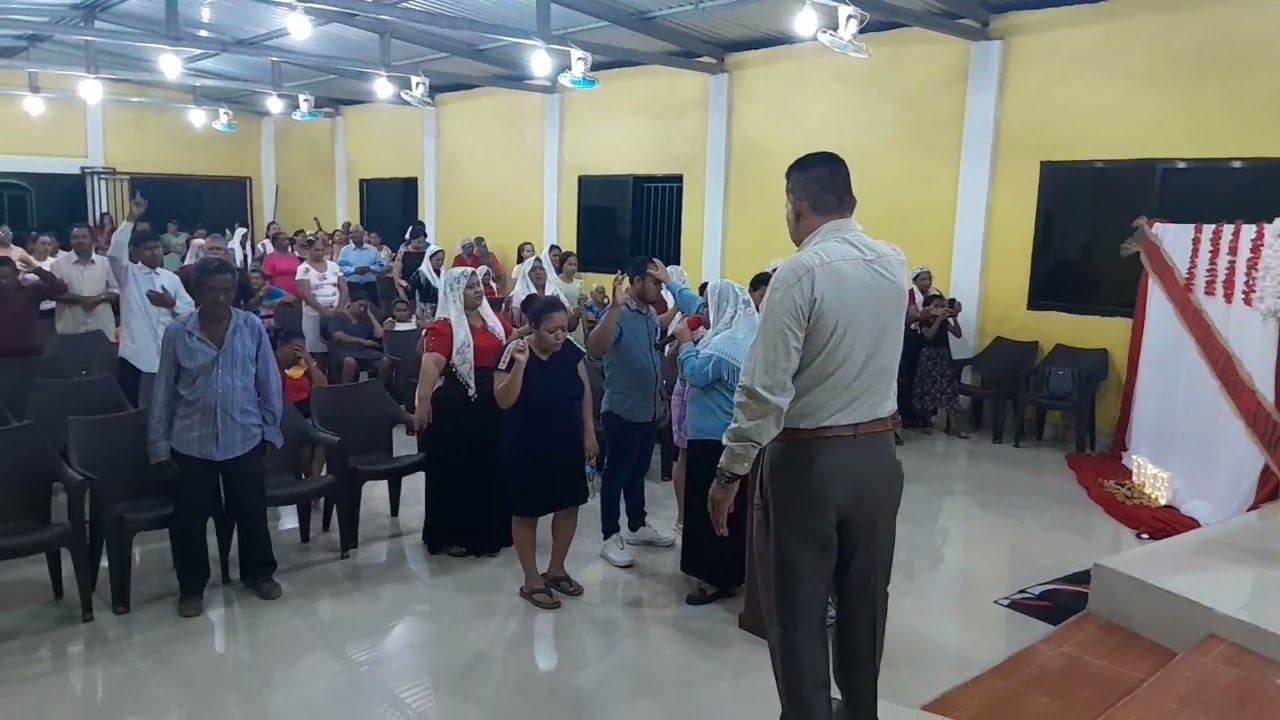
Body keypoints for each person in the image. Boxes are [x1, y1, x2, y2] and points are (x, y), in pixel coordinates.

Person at [709, 151, 906, 720]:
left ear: (796, 205)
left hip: (810, 461)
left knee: (796, 609)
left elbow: (765, 389)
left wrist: (731, 471)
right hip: (877, 456)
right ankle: (860, 712)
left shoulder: (798, 271)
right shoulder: (892, 262)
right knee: (865, 601)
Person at [149, 256, 284, 618]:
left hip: (244, 435)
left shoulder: (251, 327)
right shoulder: (178, 332)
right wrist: (159, 448)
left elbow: (268, 381)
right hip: (191, 441)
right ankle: (191, 589)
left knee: (252, 511)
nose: (221, 297)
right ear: (197, 292)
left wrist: (271, 431)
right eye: (213, 290)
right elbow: (163, 392)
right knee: (189, 520)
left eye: (227, 289)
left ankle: (258, 573)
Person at [585, 256, 702, 569]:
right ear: (636, 282)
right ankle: (610, 537)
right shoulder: (620, 314)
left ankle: (637, 526)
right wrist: (611, 308)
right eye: (655, 283)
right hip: (621, 409)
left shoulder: (650, 313)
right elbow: (595, 347)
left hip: (648, 408)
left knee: (637, 473)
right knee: (615, 475)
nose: (659, 290)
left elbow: (654, 342)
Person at [494, 295, 596, 610]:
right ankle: (531, 579)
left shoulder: (571, 352)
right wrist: (521, 368)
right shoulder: (514, 352)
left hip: (566, 441)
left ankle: (556, 569)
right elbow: (503, 400)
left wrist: (589, 433)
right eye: (552, 331)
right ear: (534, 328)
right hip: (527, 444)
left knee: (568, 505)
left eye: (564, 330)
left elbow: (585, 394)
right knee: (527, 512)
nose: (560, 336)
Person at [415, 268, 515, 558]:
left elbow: (512, 341)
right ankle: (455, 533)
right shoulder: (444, 326)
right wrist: (422, 406)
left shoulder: (492, 321)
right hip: (457, 404)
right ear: (455, 292)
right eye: (470, 287)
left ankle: (491, 530)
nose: (478, 290)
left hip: (492, 398)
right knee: (458, 470)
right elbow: (430, 366)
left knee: (490, 466)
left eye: (479, 284)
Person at [672, 280, 758, 606]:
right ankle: (727, 572)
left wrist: (684, 343)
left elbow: (695, 373)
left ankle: (714, 578)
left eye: (709, 306)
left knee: (710, 508)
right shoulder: (730, 338)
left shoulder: (728, 345)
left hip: (715, 440)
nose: (704, 313)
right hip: (712, 437)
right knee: (720, 509)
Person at [109, 194, 196, 406]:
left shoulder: (170, 278)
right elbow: (114, 253)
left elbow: (190, 311)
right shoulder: (128, 274)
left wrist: (171, 304)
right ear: (135, 252)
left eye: (157, 247)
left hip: (167, 358)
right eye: (148, 248)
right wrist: (130, 219)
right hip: (136, 358)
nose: (155, 252)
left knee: (167, 409)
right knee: (136, 411)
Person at [912, 294, 967, 438]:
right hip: (929, 358)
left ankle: (954, 427)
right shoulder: (923, 322)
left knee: (948, 390)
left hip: (943, 357)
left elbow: (958, 334)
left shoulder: (944, 322)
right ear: (928, 308)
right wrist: (938, 320)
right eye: (936, 306)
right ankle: (926, 423)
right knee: (927, 389)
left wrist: (954, 318)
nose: (940, 309)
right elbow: (929, 335)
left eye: (943, 306)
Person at [277, 328, 328, 480]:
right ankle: (311, 483)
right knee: (305, 441)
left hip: (303, 414)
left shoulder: (301, 367)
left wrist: (310, 362)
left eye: (302, 349)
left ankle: (314, 478)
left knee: (324, 437)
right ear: (280, 346)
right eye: (296, 349)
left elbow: (324, 389)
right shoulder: (269, 364)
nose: (298, 354)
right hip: (281, 418)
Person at [52, 223, 119, 338]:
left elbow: (115, 290)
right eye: (75, 237)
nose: (79, 240)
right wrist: (82, 300)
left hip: (102, 327)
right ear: (70, 241)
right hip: (70, 328)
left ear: (93, 240)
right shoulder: (58, 264)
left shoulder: (105, 262)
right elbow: (54, 293)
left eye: (84, 237)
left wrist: (97, 299)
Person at [899, 266, 946, 429]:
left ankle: (926, 416)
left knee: (928, 380)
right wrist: (924, 315)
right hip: (913, 339)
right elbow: (913, 315)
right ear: (915, 281)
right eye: (923, 279)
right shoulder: (911, 294)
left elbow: (943, 307)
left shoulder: (935, 293)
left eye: (929, 278)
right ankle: (908, 416)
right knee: (910, 378)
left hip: (930, 341)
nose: (927, 282)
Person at [0, 255, 68, 358]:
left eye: (6, 277)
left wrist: (37, 271)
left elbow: (61, 288)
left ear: (17, 274)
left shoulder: (31, 290)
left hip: (30, 353)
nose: (2, 281)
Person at [295, 236, 349, 363]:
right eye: (316, 250)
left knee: (336, 350)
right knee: (318, 353)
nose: (320, 253)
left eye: (322, 250)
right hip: (314, 315)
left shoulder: (334, 266)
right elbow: (305, 294)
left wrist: (339, 309)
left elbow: (344, 289)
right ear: (309, 249)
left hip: (335, 313)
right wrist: (323, 311)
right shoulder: (303, 269)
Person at [322, 299, 392, 385]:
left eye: (365, 307)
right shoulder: (338, 316)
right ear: (350, 303)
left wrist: (370, 315)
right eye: (360, 305)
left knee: (385, 361)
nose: (362, 309)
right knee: (350, 361)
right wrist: (362, 341)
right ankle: (347, 389)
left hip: (363, 350)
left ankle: (378, 387)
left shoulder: (364, 318)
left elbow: (379, 334)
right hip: (343, 349)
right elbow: (338, 336)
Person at [179, 235, 256, 309]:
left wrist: (261, 295)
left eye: (218, 249)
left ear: (226, 251)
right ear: (204, 251)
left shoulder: (239, 273)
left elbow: (249, 302)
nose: (214, 252)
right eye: (211, 249)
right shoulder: (189, 273)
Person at [510, 256, 576, 330]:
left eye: (541, 269)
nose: (538, 273)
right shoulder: (519, 295)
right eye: (533, 270)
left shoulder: (554, 291)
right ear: (527, 274)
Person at [337, 225, 384, 305]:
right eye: (351, 233)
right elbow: (340, 268)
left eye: (355, 232)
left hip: (370, 286)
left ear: (362, 234)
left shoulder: (372, 250)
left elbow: (381, 266)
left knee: (373, 310)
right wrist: (354, 270)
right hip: (351, 286)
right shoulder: (345, 250)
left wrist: (370, 268)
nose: (352, 235)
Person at [410, 242, 446, 318]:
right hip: (424, 313)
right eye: (437, 260)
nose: (440, 263)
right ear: (430, 259)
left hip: (441, 311)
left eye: (442, 260)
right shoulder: (420, 274)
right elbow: (412, 296)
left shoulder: (444, 274)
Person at [261, 232, 301, 297]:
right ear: (276, 243)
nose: (287, 242)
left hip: (295, 295)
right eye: (283, 240)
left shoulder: (294, 256)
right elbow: (266, 278)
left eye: (287, 239)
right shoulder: (270, 258)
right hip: (278, 295)